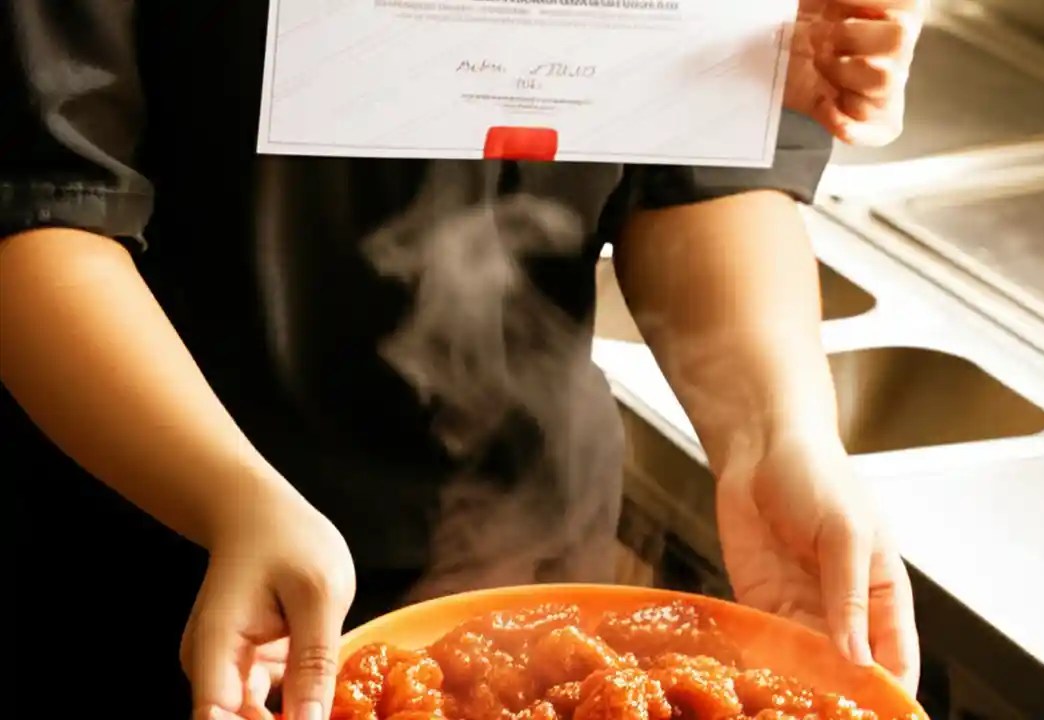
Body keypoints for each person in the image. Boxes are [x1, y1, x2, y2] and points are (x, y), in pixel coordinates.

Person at [1, 1, 926, 718]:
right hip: (171, 559)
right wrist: (234, 500)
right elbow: (44, 205)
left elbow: (699, 171)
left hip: (538, 580)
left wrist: (775, 433)